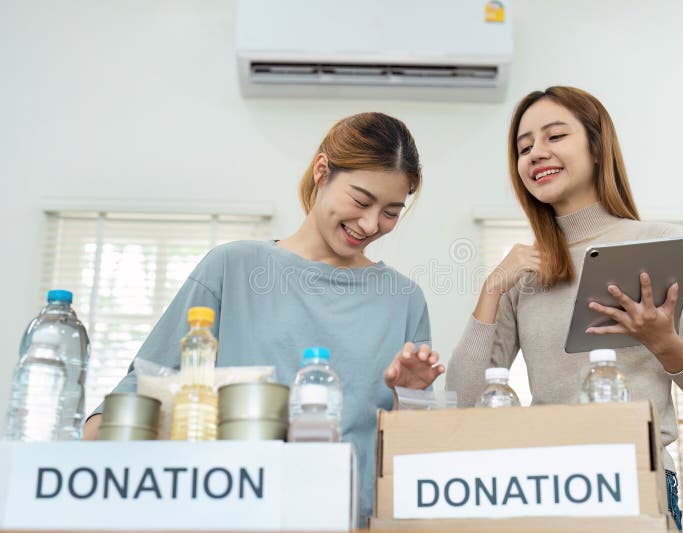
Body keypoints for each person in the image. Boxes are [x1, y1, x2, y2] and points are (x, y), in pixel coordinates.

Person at [83, 112, 445, 525]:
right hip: (232, 516)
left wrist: (412, 397)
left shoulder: (404, 300)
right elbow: (145, 383)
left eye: (391, 212)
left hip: (350, 522)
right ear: (322, 171)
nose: (369, 224)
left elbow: (408, 459)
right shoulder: (232, 268)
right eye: (361, 201)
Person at [445, 86, 683, 530]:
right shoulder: (524, 269)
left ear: (598, 148)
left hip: (642, 486)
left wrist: (664, 342)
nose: (536, 154)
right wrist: (492, 287)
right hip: (546, 488)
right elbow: (464, 399)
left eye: (554, 137)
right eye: (524, 148)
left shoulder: (660, 248)